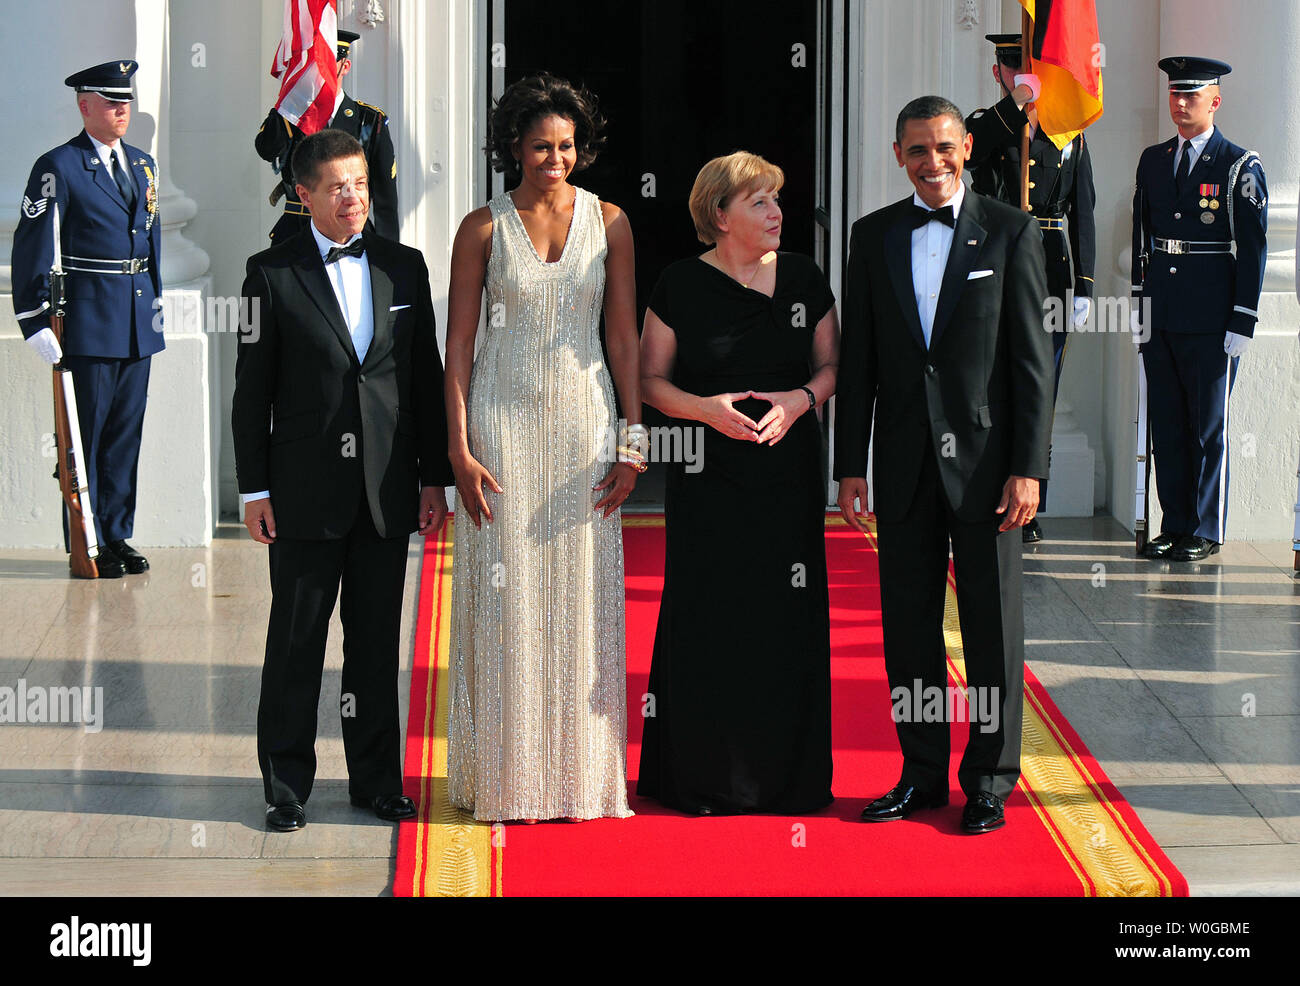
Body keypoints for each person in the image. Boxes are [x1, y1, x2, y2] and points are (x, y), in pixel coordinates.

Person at [835, 96, 1053, 834]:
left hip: (991, 469)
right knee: (908, 629)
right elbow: (858, 357)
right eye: (917, 150)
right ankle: (921, 774)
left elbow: (1032, 365)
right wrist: (849, 464)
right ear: (897, 156)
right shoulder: (872, 236)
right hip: (901, 464)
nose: (933, 162)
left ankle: (989, 778)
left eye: (945, 147)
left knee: (992, 629)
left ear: (966, 147)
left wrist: (1029, 467)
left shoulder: (1013, 231)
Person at [232, 129, 453, 832]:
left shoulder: (405, 267)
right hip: (302, 494)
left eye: (359, 183)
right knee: (296, 644)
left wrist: (432, 478)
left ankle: (378, 782)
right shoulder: (268, 274)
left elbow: (424, 378)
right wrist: (253, 490)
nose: (352, 197)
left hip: (386, 492)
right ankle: (286, 785)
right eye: (335, 186)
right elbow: (250, 394)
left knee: (375, 642)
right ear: (303, 196)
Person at [444, 74, 640, 822]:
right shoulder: (483, 228)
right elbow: (459, 344)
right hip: (501, 423)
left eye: (565, 146)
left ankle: (579, 780)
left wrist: (634, 437)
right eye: (539, 147)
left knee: (582, 598)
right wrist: (459, 449)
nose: (554, 159)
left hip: (585, 426)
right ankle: (504, 779)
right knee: (507, 602)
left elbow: (622, 337)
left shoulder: (612, 222)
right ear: (514, 150)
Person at [636, 152, 839, 815]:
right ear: (718, 215)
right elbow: (648, 381)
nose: (777, 212)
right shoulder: (678, 284)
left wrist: (799, 401)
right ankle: (703, 781)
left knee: (785, 620)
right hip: (707, 477)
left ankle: (787, 781)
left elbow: (832, 363)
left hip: (789, 479)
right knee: (709, 620)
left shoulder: (806, 277)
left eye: (777, 199)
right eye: (759, 202)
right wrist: (704, 410)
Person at [11, 60, 163, 579]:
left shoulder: (143, 165)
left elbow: (151, 244)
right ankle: (87, 538)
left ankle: (117, 534)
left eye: (126, 100)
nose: (122, 109)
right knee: (87, 437)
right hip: (90, 320)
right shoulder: (59, 166)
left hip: (138, 321)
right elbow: (32, 244)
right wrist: (33, 321)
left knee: (125, 435)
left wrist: (156, 305)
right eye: (110, 100)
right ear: (84, 105)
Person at [1131, 57, 1267, 563]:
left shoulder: (1239, 166)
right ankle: (1176, 523)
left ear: (1215, 101)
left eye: (1192, 95)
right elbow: (1142, 235)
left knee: (1207, 428)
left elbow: (1252, 248)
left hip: (1211, 319)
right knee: (1167, 426)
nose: (1181, 104)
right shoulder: (1153, 159)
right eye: (1174, 95)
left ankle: (1206, 529)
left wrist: (1243, 319)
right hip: (1162, 313)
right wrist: (1139, 302)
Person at [966, 33, 1096, 543]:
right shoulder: (984, 124)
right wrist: (1015, 106)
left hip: (1048, 268)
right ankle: (987, 489)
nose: (1021, 77)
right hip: (993, 262)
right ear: (998, 73)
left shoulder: (1068, 134)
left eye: (1030, 72)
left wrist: (1083, 285)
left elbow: (1082, 210)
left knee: (1038, 388)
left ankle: (1029, 501)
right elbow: (973, 158)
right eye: (1012, 70)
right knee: (990, 384)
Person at [255, 30, 398, 242]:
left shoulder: (368, 119)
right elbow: (267, 150)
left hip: (351, 232)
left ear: (345, 66)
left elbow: (385, 198)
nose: (319, 72)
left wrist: (388, 253)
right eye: (312, 65)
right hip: (297, 234)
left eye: (325, 63)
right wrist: (286, 104)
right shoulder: (290, 114)